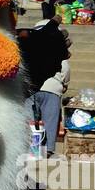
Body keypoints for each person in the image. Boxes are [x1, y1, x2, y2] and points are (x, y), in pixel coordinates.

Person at [32, 20, 69, 154]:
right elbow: (65, 70)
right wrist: (64, 84)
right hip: (52, 89)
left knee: (31, 120)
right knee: (51, 121)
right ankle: (49, 149)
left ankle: (32, 147)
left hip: (32, 89)